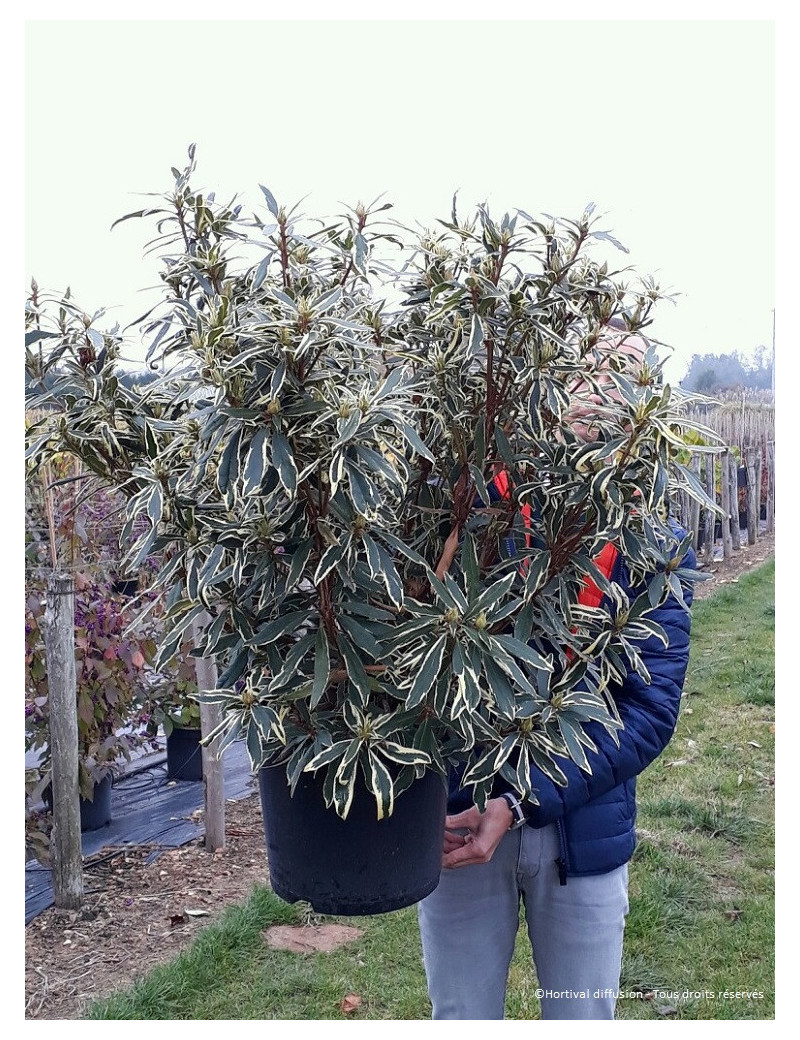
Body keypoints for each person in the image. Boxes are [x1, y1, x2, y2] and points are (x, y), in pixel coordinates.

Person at [416, 326, 696, 1021]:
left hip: (582, 830)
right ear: (551, 381)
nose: (599, 392)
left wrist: (518, 801)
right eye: (585, 370)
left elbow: (648, 712)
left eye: (622, 375)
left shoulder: (653, 540)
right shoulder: (480, 507)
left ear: (645, 402)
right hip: (459, 813)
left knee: (581, 1019)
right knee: (461, 1019)